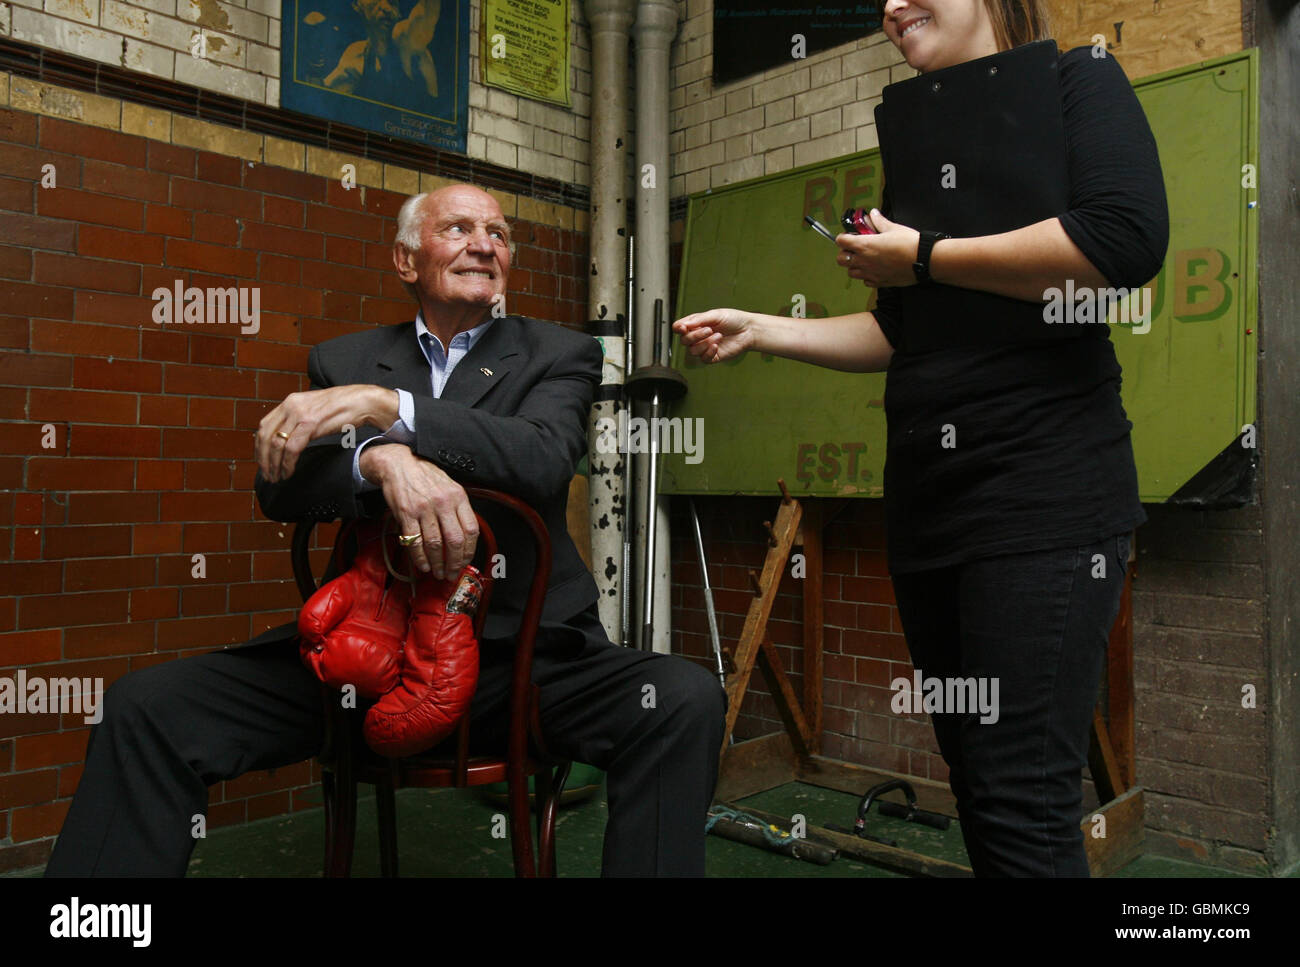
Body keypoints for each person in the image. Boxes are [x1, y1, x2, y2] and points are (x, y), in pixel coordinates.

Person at [46, 185, 726, 878]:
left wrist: (388, 409)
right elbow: (282, 486)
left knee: (681, 700)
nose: (485, 244)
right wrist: (379, 458)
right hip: (365, 662)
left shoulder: (559, 352)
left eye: (498, 232)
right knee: (145, 707)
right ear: (406, 259)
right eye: (459, 228)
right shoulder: (343, 359)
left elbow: (542, 457)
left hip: (522, 665)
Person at [674, 0, 1168, 876]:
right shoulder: (921, 131)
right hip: (933, 506)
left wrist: (928, 253)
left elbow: (1120, 242)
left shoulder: (1076, 79)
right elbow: (902, 332)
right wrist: (763, 327)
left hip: (1043, 491)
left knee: (1023, 796)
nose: (892, 6)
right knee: (976, 775)